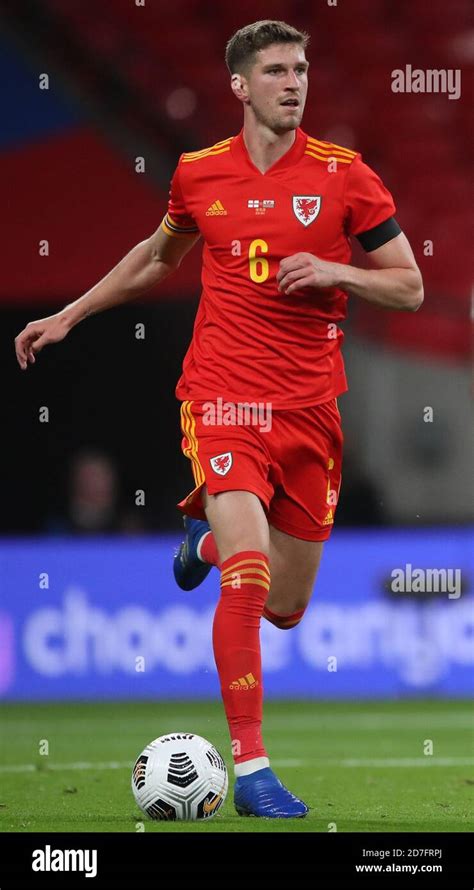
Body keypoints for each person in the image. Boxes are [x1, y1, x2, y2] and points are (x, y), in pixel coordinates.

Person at [14, 20, 423, 818]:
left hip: (311, 411)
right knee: (249, 571)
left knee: (287, 606)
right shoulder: (199, 174)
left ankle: (200, 539)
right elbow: (158, 257)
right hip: (223, 400)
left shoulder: (347, 176)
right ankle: (254, 769)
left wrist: (338, 268)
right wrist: (71, 313)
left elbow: (408, 286)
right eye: (275, 71)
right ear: (240, 87)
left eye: (300, 69)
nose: (293, 83)